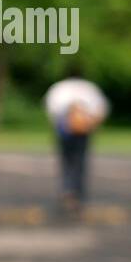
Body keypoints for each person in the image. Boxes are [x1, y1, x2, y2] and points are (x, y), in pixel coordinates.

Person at [44, 69, 109, 213]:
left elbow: (52, 109)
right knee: (80, 160)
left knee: (66, 160)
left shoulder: (59, 87)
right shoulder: (90, 88)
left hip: (64, 130)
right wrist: (93, 124)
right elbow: (101, 108)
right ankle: (77, 191)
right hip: (84, 130)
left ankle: (67, 190)